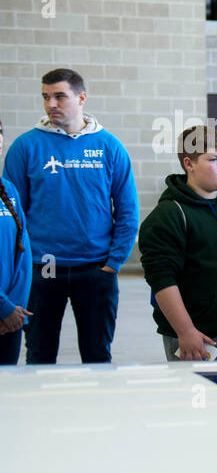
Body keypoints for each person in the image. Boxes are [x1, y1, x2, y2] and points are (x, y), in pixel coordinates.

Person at [2, 68, 139, 364]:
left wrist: (114, 262)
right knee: (39, 354)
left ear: (81, 98)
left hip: (95, 270)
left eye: (59, 96)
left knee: (97, 355)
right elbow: (13, 217)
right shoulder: (25, 147)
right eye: (45, 97)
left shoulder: (109, 146)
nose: (51, 103)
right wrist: (22, 268)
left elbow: (128, 212)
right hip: (42, 269)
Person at [138, 126, 217, 361]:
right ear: (189, 164)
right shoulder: (169, 214)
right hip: (197, 336)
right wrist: (185, 331)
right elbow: (162, 280)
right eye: (214, 160)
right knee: (200, 397)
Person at [0, 116, 33, 366]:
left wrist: (16, 308)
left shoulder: (8, 189)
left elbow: (23, 254)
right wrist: (4, 308)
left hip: (11, 317)